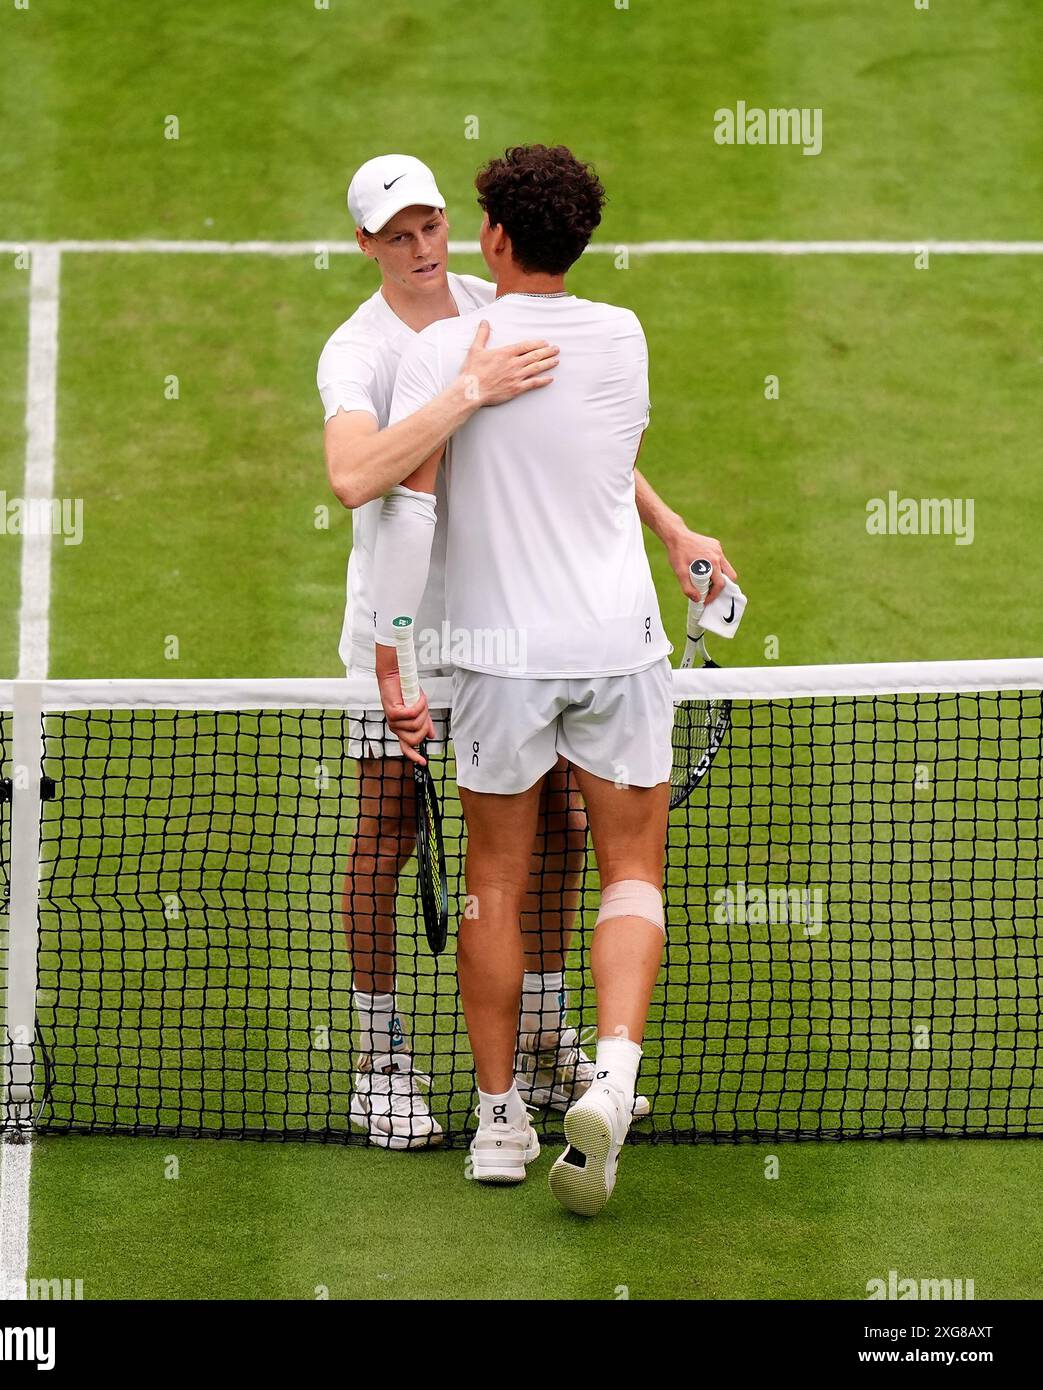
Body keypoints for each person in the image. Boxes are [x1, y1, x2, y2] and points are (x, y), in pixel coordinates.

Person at [372, 145, 735, 1212]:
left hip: (498, 660)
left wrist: (394, 656)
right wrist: (675, 535)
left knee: (496, 877)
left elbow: (409, 506)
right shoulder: (624, 337)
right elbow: (601, 462)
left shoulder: (446, 348)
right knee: (631, 870)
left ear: (491, 239)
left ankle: (497, 1122)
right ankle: (612, 1073)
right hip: (620, 651)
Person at [319, 153, 625, 1149]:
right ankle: (380, 1063)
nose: (419, 249)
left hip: (508, 626)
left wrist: (667, 527)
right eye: (396, 234)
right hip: (396, 640)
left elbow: (575, 433)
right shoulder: (354, 351)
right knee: (385, 837)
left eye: (430, 226)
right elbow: (355, 477)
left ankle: (538, 1041)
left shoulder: (496, 304)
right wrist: (466, 387)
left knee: (562, 832)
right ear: (364, 244)